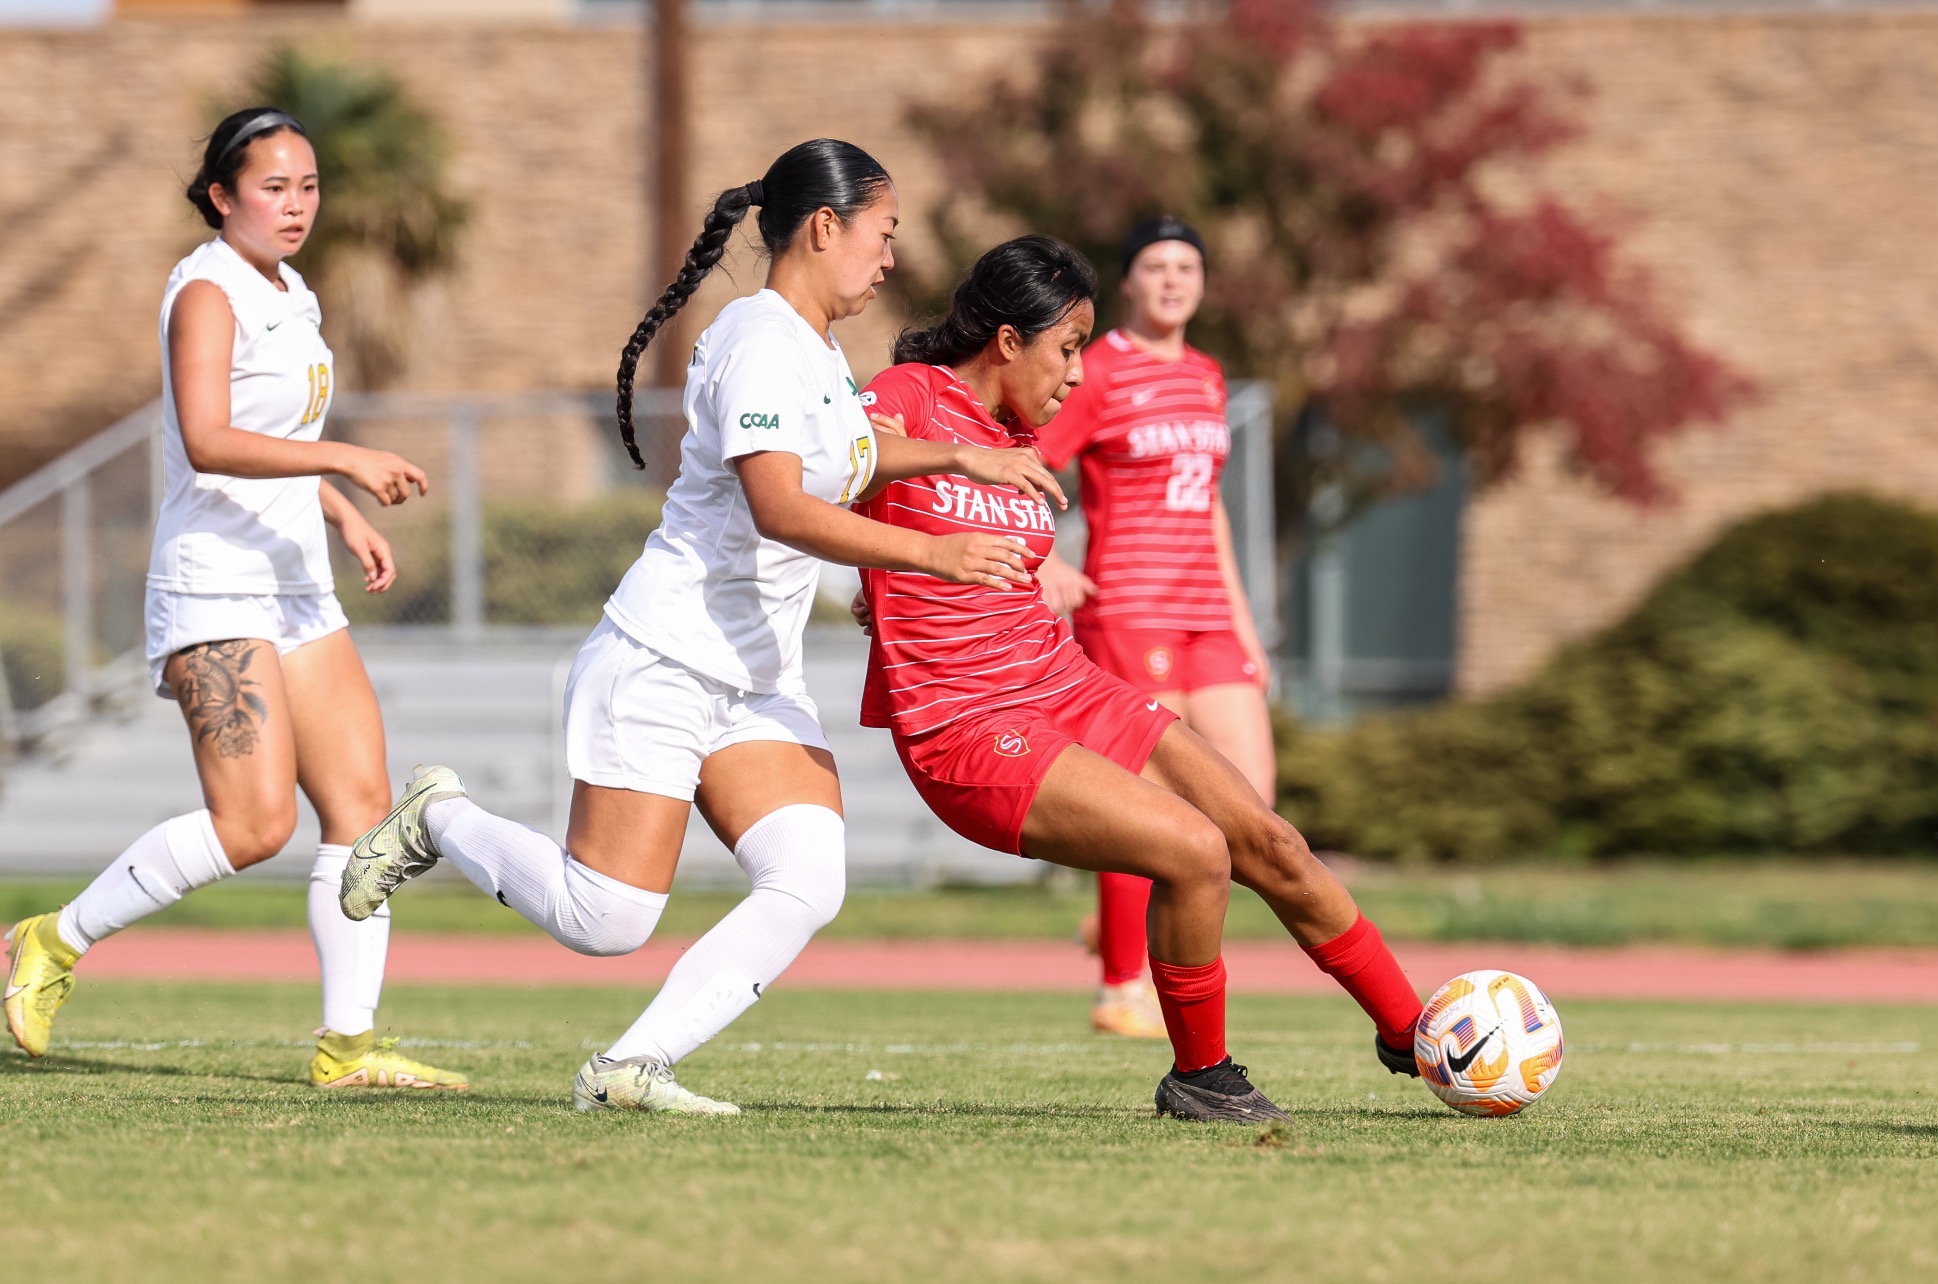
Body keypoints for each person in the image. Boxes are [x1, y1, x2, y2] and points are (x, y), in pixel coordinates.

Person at [338, 139, 1064, 1115]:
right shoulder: (757, 338)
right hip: (665, 659)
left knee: (806, 881)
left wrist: (956, 461)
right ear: (824, 227)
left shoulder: (814, 348)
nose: (890, 259)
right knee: (607, 921)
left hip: (754, 679)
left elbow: (846, 457)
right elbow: (778, 505)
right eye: (882, 234)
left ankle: (627, 1068)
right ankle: (437, 817)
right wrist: (935, 556)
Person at [854, 235, 1424, 1122]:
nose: (1077, 374)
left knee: (1268, 842)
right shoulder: (913, 394)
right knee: (1194, 851)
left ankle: (1418, 1033)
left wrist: (1030, 566)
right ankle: (1200, 1076)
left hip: (1063, 682)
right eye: (1068, 347)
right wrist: (958, 465)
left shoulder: (1022, 434)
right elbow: (838, 460)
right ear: (1009, 339)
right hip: (964, 725)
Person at [3, 107, 466, 1090]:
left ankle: (348, 1049)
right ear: (222, 195)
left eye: (307, 186)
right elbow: (209, 437)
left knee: (364, 812)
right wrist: (344, 453)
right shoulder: (207, 292)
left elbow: (271, 435)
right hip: (214, 584)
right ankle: (48, 940)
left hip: (296, 583)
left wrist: (338, 509)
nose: (296, 206)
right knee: (253, 827)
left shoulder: (289, 290)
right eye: (273, 187)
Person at [1033, 217, 1273, 1040]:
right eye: (1155, 266)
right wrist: (1044, 562)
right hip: (1130, 607)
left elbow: (1206, 506)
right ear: (1128, 282)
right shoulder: (1097, 371)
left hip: (1207, 612)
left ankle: (1114, 922)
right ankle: (1120, 987)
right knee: (1151, 803)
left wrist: (1244, 624)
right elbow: (1027, 459)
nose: (1173, 279)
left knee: (1253, 804)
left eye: (1188, 266)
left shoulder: (1207, 376)